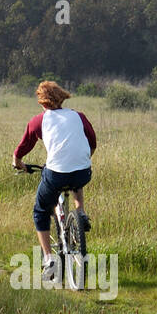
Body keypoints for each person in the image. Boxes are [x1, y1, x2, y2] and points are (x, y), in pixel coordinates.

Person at [11, 81, 96, 282]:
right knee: (76, 180)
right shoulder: (78, 116)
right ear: (61, 97)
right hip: (83, 170)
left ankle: (49, 259)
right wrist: (84, 158)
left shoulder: (39, 121)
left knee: (40, 211)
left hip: (56, 173)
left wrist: (17, 162)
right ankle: (80, 212)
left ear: (42, 101)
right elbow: (92, 142)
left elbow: (23, 146)